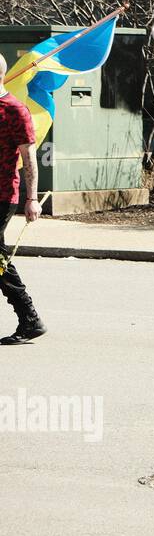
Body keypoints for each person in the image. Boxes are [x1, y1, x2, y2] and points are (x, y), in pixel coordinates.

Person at [0, 54, 46, 346]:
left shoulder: (16, 111)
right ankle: (29, 318)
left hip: (3, 195)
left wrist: (32, 198)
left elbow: (29, 158)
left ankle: (29, 317)